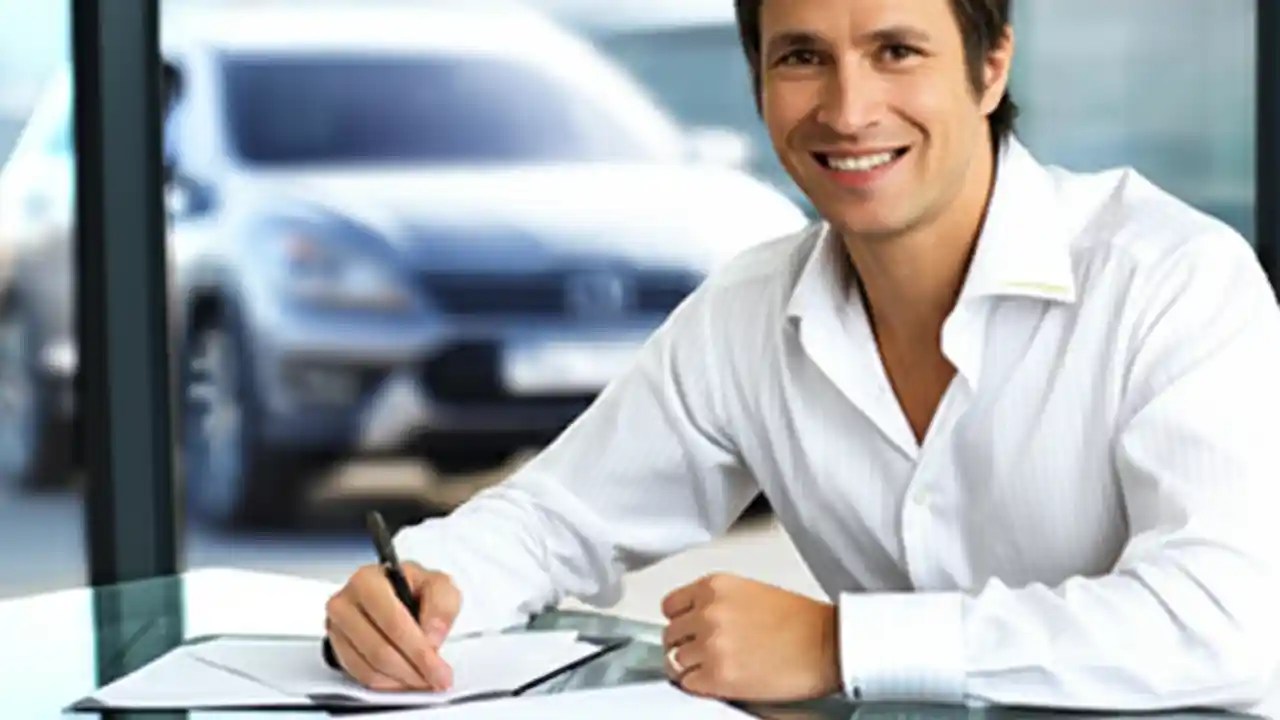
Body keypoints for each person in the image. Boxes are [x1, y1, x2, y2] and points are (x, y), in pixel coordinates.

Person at [324, 0, 1280, 711]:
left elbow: (1230, 622)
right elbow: (550, 520)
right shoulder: (749, 311)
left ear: (990, 69)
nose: (848, 109)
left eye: (895, 51)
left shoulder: (1172, 279)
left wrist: (840, 644)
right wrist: (419, 590)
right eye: (801, 58)